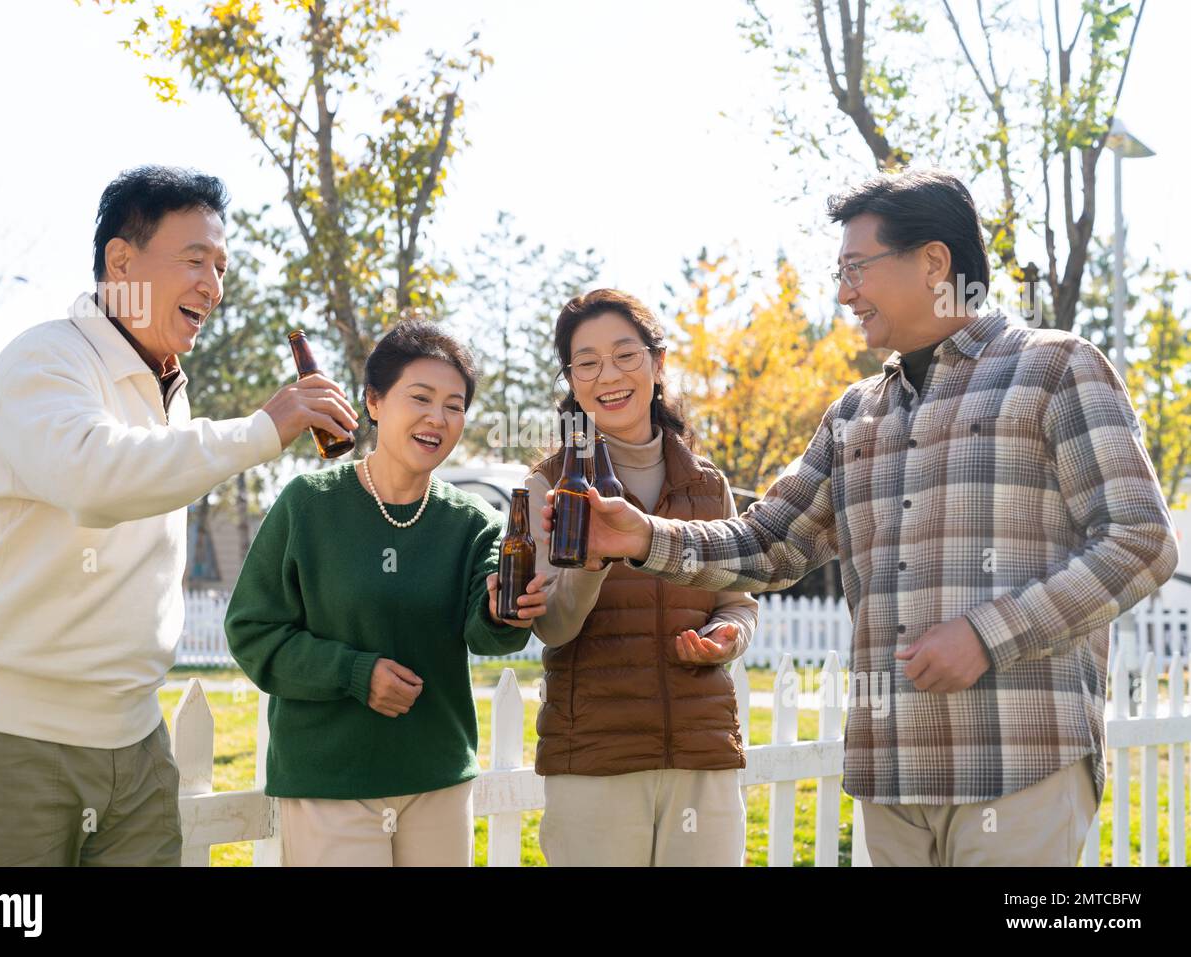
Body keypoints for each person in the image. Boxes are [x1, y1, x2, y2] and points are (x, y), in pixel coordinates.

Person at [544, 169, 1180, 866]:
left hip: (1021, 762)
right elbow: (767, 542)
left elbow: (1140, 541)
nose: (845, 293)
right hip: (892, 774)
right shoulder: (855, 413)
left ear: (933, 261)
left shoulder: (1057, 369)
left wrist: (986, 634)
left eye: (857, 269)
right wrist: (645, 536)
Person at [0, 166, 359, 866]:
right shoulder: (45, 358)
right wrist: (260, 427)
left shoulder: (166, 389)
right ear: (121, 261)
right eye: (194, 260)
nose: (214, 284)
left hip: (136, 745)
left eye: (222, 266)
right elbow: (95, 476)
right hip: (6, 743)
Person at [225, 319, 546, 867]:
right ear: (374, 402)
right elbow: (252, 631)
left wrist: (505, 612)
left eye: (454, 405)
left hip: (437, 780)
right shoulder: (310, 503)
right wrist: (354, 673)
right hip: (329, 782)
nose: (437, 419)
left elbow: (486, 632)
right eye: (419, 398)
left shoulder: (474, 523)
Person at [525, 289, 759, 867]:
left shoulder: (708, 485)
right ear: (573, 381)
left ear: (657, 365)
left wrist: (729, 635)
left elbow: (738, 600)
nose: (609, 374)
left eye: (626, 355)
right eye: (587, 362)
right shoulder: (548, 486)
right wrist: (592, 565)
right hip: (596, 756)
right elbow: (552, 628)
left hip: (701, 748)